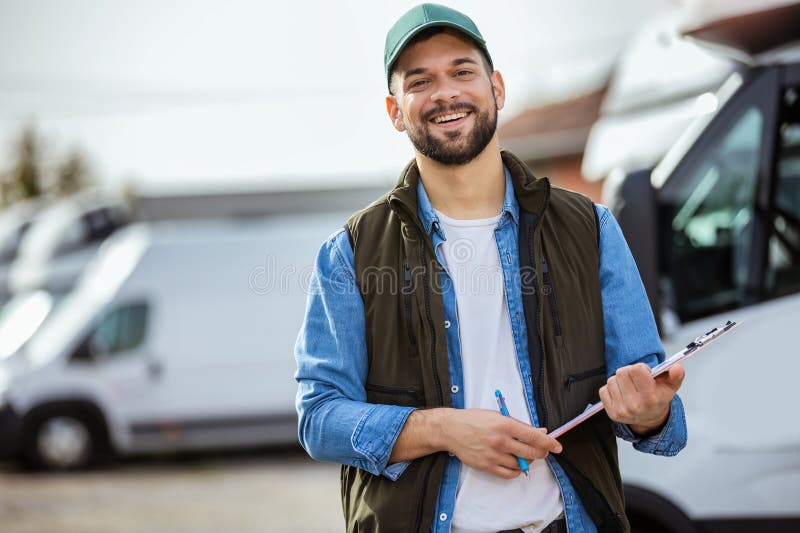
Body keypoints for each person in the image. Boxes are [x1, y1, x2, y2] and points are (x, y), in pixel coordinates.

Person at [294, 4, 687, 532]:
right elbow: (319, 416)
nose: (445, 93)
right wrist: (444, 429)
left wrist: (648, 412)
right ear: (395, 110)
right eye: (420, 81)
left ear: (496, 88)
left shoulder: (590, 227)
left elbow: (657, 412)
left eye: (462, 71)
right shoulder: (350, 251)